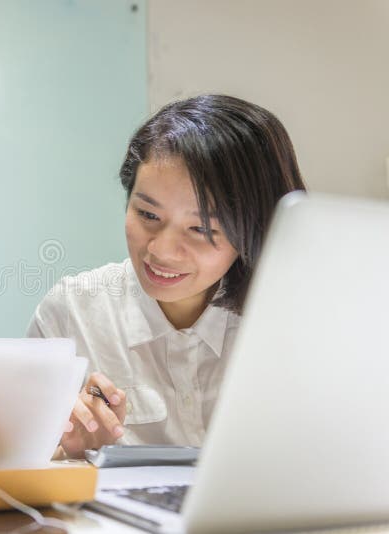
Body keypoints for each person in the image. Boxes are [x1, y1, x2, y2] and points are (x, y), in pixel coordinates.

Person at [28, 94, 306, 458]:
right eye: (147, 215)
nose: (160, 251)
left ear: (254, 229)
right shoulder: (71, 314)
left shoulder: (292, 321)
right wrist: (66, 452)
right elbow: (17, 463)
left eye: (201, 229)